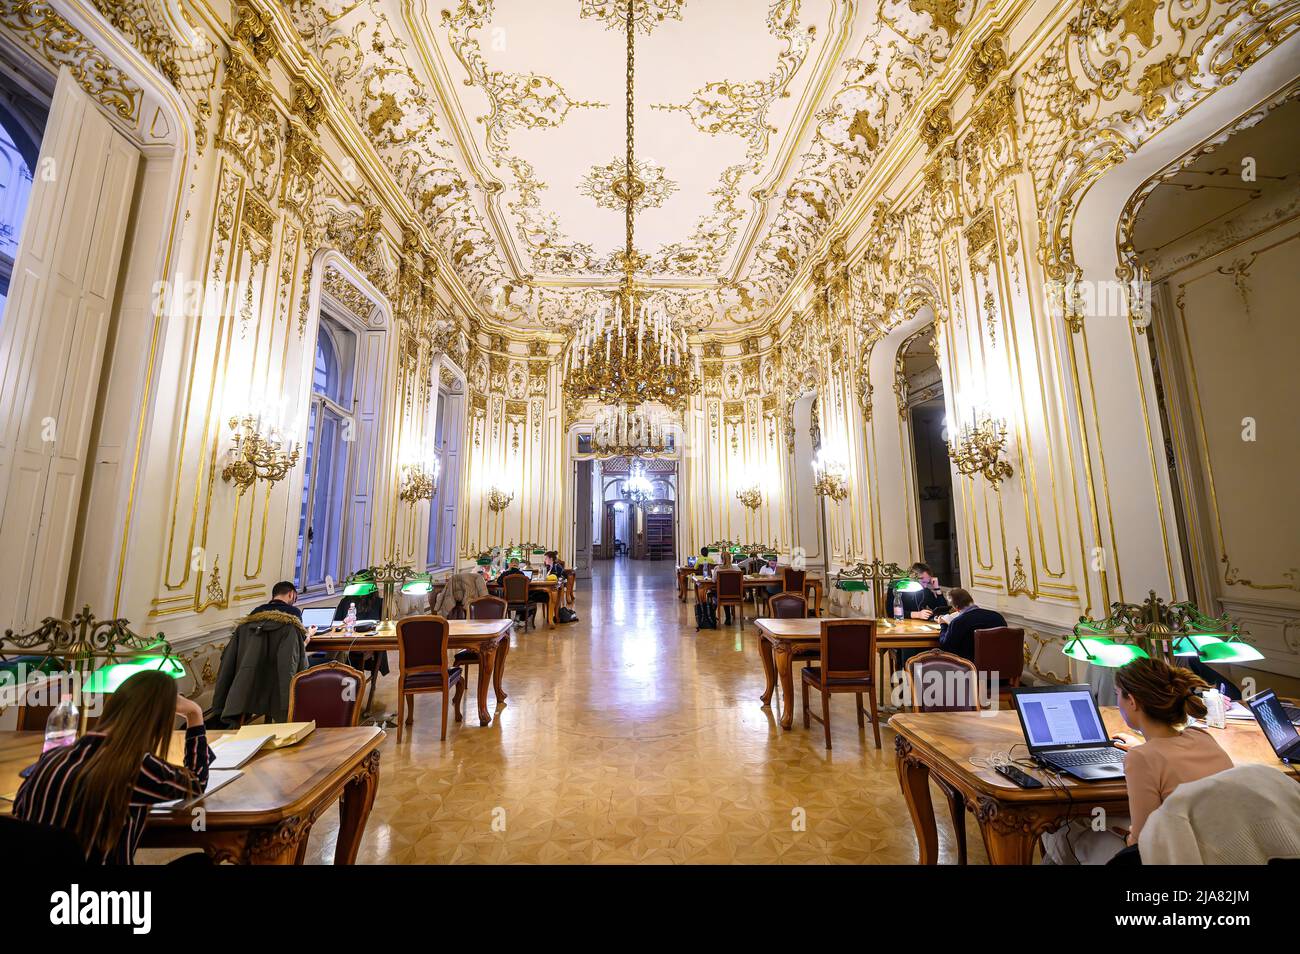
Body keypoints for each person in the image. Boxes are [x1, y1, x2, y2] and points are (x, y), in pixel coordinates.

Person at [1042, 657, 1233, 864]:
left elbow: (1141, 843)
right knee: (1081, 825)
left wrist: (1121, 833)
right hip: (1218, 850)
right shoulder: (1201, 736)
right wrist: (1142, 747)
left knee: (1063, 832)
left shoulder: (1141, 758)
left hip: (1169, 857)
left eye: (1117, 695)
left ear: (1131, 701)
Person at [14, 670, 214, 864]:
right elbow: (196, 784)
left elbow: (19, 811)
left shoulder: (49, 759)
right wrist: (194, 714)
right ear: (159, 720)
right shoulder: (136, 768)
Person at [935, 587, 1005, 662]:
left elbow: (945, 646)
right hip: (999, 663)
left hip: (969, 666)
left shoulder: (958, 622)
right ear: (971, 600)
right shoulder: (997, 617)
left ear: (957, 608)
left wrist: (943, 625)